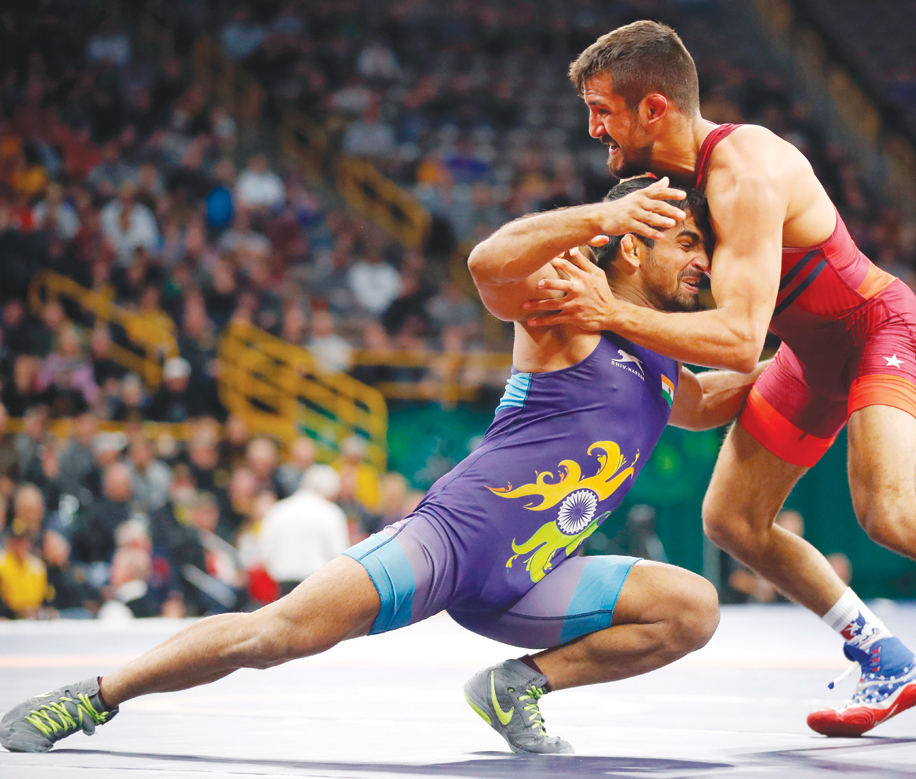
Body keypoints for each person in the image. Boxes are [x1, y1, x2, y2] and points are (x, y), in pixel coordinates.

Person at [525, 20, 916, 748]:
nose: (592, 128)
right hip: (809, 356)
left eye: (601, 109)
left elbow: (737, 337)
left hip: (879, 331)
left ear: (653, 108)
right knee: (731, 520)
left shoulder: (743, 169)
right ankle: (882, 654)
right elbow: (689, 333)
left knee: (889, 511)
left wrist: (611, 312)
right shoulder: (668, 190)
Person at [0, 177, 758, 756]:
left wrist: (804, 369)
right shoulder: (569, 292)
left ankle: (517, 685)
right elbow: (486, 265)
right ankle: (93, 696)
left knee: (690, 607)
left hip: (530, 577)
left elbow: (703, 403)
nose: (703, 261)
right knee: (276, 634)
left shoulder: (653, 342)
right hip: (451, 540)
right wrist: (601, 214)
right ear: (633, 241)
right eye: (689, 241)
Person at [257, 465, 349, 597]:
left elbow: (264, 553)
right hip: (317, 585)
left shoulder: (278, 510)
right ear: (332, 492)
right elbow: (339, 556)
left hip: (283, 586)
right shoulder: (331, 513)